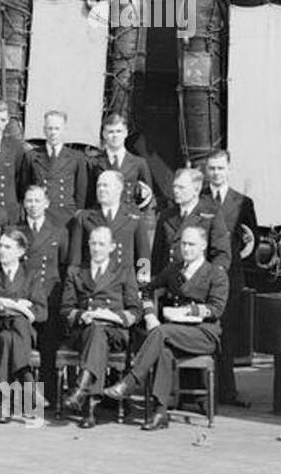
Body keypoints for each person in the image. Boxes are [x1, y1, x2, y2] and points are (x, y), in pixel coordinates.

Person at [105, 227, 228, 431]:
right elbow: (146, 290)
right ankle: (160, 412)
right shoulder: (174, 269)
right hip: (175, 333)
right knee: (163, 349)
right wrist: (151, 313)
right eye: (183, 244)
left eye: (191, 244)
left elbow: (217, 308)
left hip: (204, 334)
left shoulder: (215, 274)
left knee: (161, 332)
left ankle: (131, 381)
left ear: (204, 246)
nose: (186, 249)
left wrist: (187, 312)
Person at [59, 225, 143, 429]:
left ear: (112, 247)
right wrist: (82, 315)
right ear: (88, 245)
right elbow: (66, 308)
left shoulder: (124, 271)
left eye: (101, 244)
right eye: (93, 243)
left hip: (114, 333)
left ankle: (81, 391)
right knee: (95, 331)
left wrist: (114, 316)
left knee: (99, 331)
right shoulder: (76, 271)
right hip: (84, 331)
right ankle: (89, 405)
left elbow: (135, 310)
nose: (96, 248)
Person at [0, 227, 47, 422]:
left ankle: (1, 403)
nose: (1, 250)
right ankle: (27, 380)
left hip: (15, 333)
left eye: (7, 247)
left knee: (8, 338)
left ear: (20, 252)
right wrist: (16, 304)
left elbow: (41, 312)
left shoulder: (32, 274)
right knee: (18, 318)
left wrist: (3, 303)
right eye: (0, 246)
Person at [203, 149, 259, 406]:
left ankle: (227, 393)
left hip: (231, 280)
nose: (216, 173)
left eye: (220, 168)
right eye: (212, 169)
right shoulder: (199, 199)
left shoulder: (243, 203)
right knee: (203, 334)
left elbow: (251, 243)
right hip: (203, 279)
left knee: (228, 335)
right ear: (206, 170)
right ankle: (202, 391)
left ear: (229, 169)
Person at [17, 183, 69, 394]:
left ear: (46, 203)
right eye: (29, 200)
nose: (33, 205)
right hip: (24, 298)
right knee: (20, 342)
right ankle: (22, 391)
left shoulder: (59, 230)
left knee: (49, 346)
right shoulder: (15, 231)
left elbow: (64, 265)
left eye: (38, 200)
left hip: (49, 298)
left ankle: (48, 394)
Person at [68, 169, 151, 280]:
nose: (101, 189)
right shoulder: (84, 218)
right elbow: (75, 260)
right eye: (99, 186)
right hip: (93, 284)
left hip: (124, 284)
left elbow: (143, 255)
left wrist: (143, 283)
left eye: (105, 185)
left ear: (119, 188)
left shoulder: (134, 217)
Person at [151, 166, 231, 276]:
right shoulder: (166, 216)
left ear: (196, 189)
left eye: (181, 187)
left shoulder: (211, 215)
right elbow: (157, 256)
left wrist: (212, 280)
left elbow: (221, 254)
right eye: (174, 186)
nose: (176, 191)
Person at [20, 109, 87, 222]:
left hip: (67, 216)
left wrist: (77, 215)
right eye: (49, 128)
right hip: (40, 214)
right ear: (44, 130)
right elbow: (24, 188)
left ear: (64, 130)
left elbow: (81, 193)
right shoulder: (32, 156)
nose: (53, 132)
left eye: (57, 128)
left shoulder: (76, 157)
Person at [88, 113, 154, 211]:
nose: (115, 136)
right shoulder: (94, 163)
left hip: (129, 218)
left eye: (119, 131)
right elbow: (88, 197)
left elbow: (147, 197)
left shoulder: (139, 163)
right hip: (101, 217)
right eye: (110, 132)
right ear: (104, 134)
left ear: (126, 133)